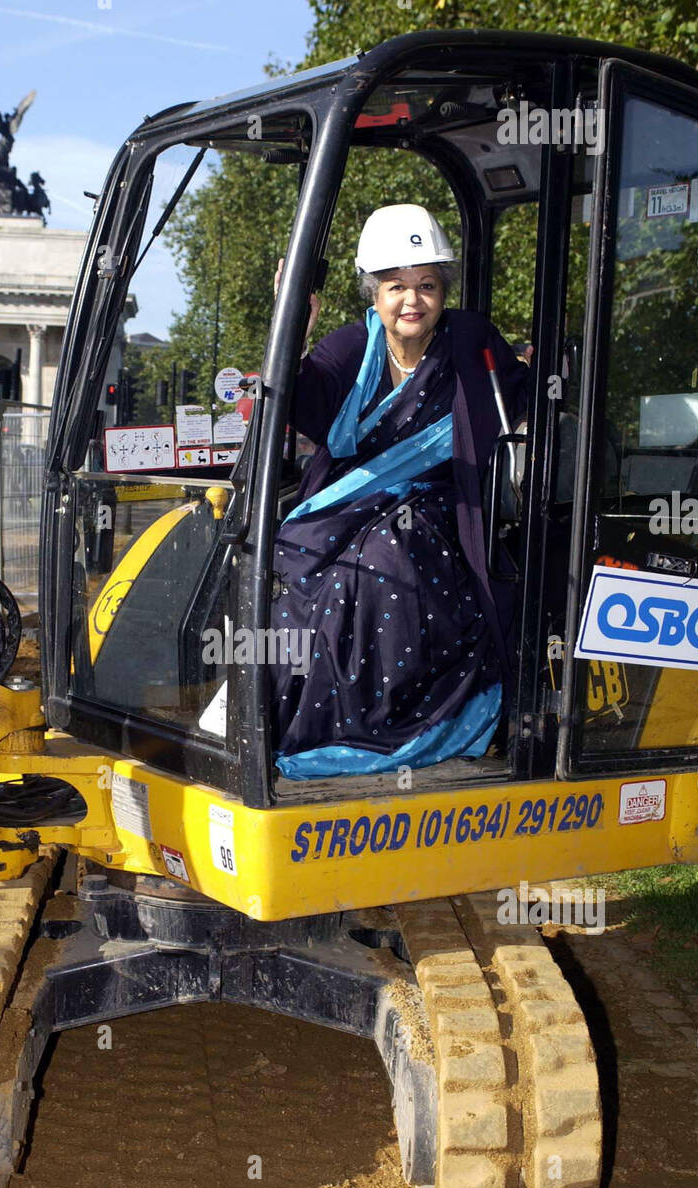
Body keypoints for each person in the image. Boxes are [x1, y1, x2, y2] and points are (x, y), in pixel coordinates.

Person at [271, 204, 529, 779]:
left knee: (377, 562)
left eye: (427, 285)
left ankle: (386, 728)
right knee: (299, 572)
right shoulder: (349, 346)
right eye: (397, 287)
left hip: (440, 507)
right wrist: (293, 331)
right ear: (375, 294)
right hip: (347, 504)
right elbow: (303, 399)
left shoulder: (469, 340)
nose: (413, 300)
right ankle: (304, 727)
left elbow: (517, 391)